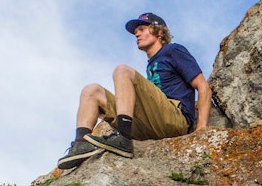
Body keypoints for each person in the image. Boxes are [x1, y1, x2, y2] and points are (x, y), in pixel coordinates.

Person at [57, 12, 212, 169]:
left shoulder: (173, 51)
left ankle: (123, 138)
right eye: (136, 31)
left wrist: (201, 128)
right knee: (91, 91)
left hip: (175, 121)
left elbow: (203, 86)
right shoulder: (151, 64)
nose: (136, 33)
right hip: (150, 127)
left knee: (122, 71)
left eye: (142, 29)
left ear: (159, 32)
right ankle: (80, 144)